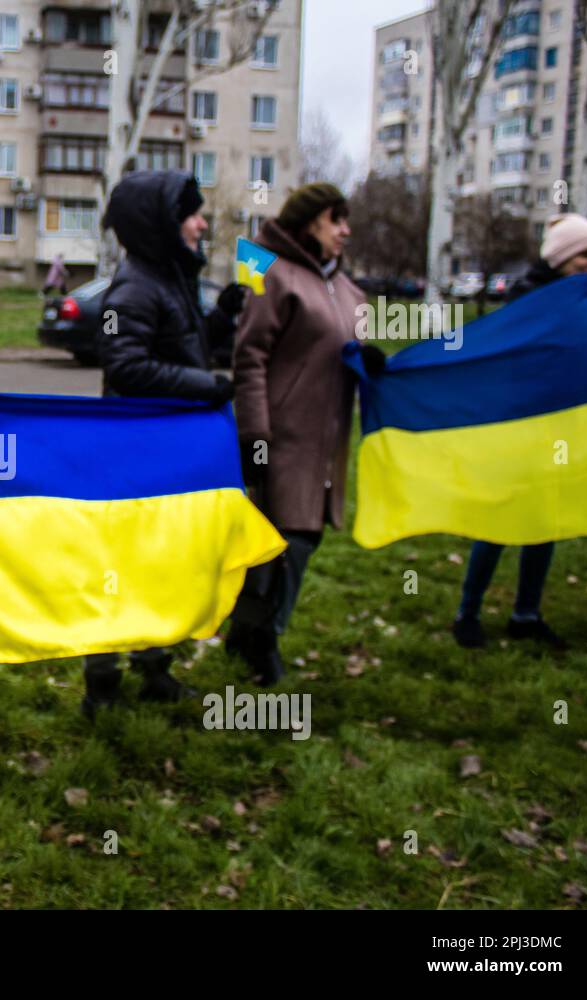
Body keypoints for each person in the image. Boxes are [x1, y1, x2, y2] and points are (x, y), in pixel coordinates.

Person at [79, 169, 248, 719]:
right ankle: (100, 684)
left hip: (162, 454)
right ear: (160, 225)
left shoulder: (168, 278)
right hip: (131, 456)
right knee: (122, 569)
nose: (202, 223)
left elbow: (184, 348)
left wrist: (222, 316)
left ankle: (154, 668)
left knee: (159, 565)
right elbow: (125, 366)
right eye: (192, 215)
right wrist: (209, 386)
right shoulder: (132, 287)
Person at [225, 182, 377, 685]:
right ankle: (262, 641)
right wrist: (256, 437)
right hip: (282, 437)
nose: (345, 230)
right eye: (337, 219)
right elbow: (249, 358)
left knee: (302, 539)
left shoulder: (350, 291)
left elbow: (352, 355)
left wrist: (372, 363)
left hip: (326, 443)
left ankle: (250, 633)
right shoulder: (274, 275)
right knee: (282, 541)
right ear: (311, 221)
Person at [451, 212, 587, 650]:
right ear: (561, 258)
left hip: (561, 428)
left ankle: (526, 613)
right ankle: (468, 611)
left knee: (545, 520)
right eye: (586, 254)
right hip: (519, 425)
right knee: (501, 520)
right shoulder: (528, 299)